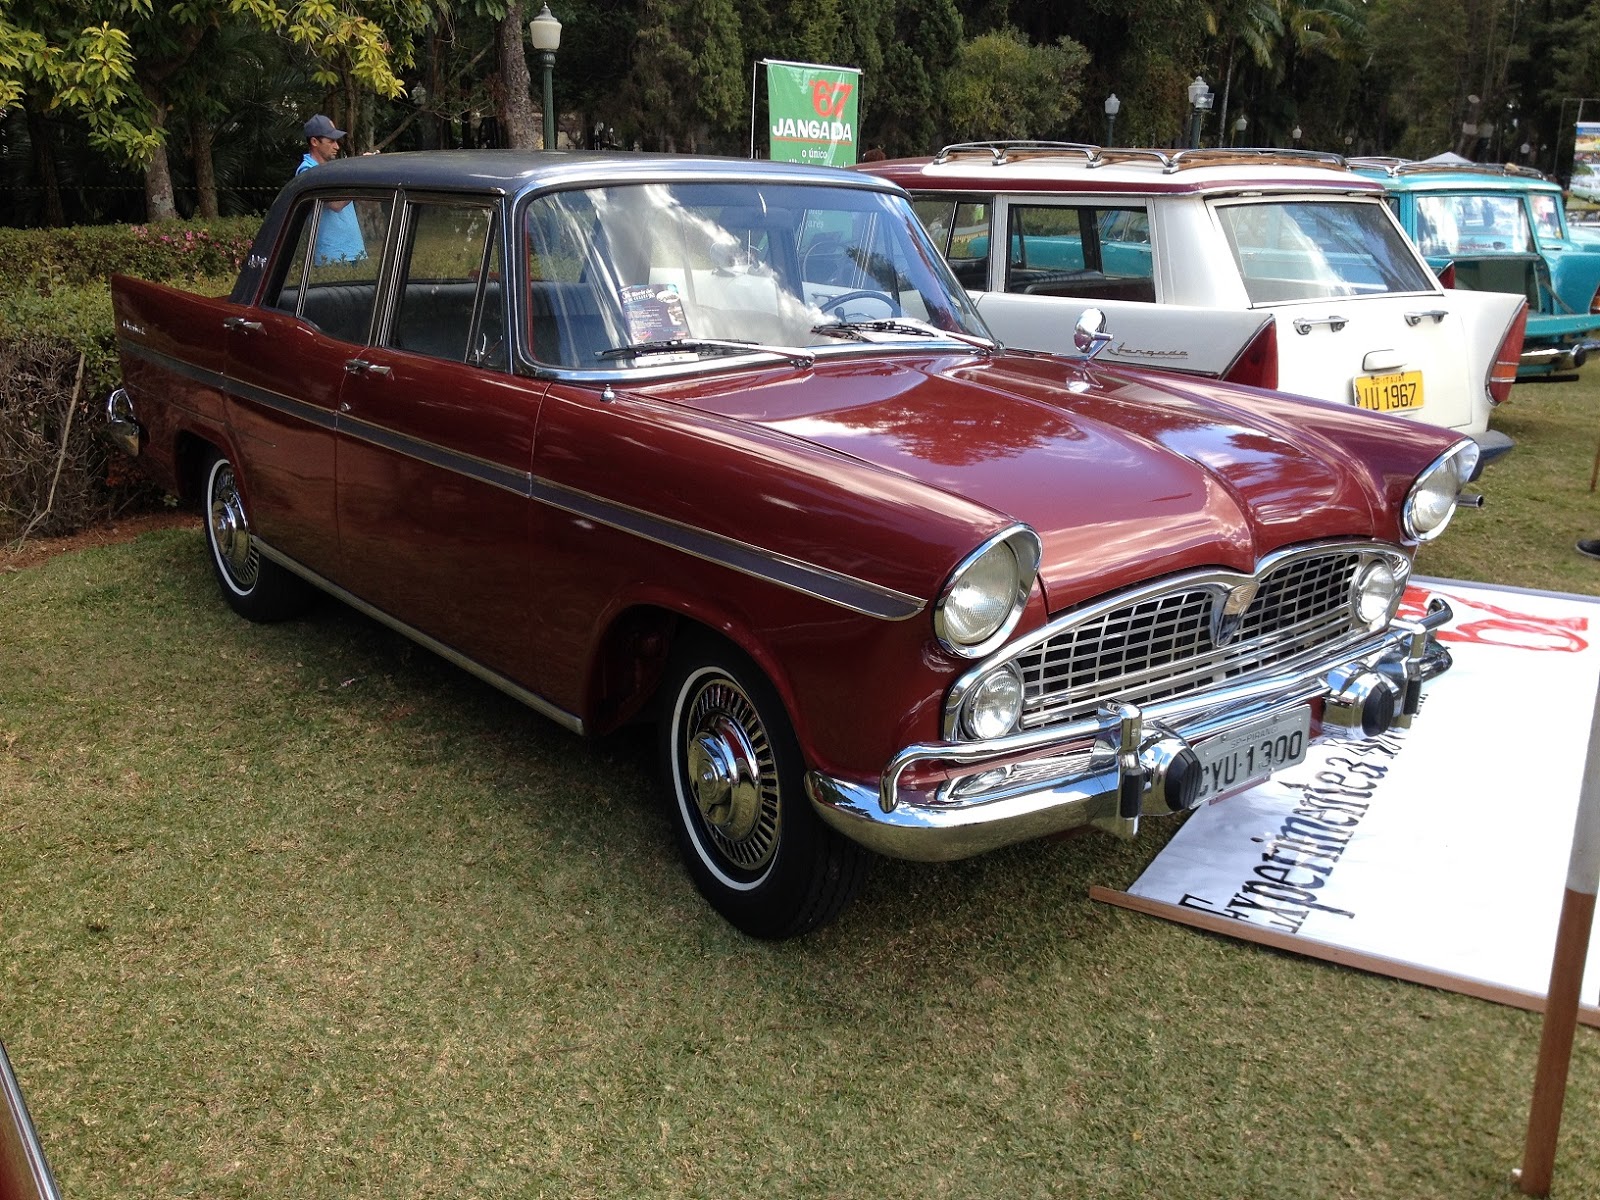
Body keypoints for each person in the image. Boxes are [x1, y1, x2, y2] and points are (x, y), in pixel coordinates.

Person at [297, 114, 366, 264]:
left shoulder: (332, 170)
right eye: (331, 141)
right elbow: (335, 204)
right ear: (314, 141)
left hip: (354, 252)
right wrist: (362, 175)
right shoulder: (307, 171)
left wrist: (365, 166)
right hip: (330, 258)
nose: (337, 146)